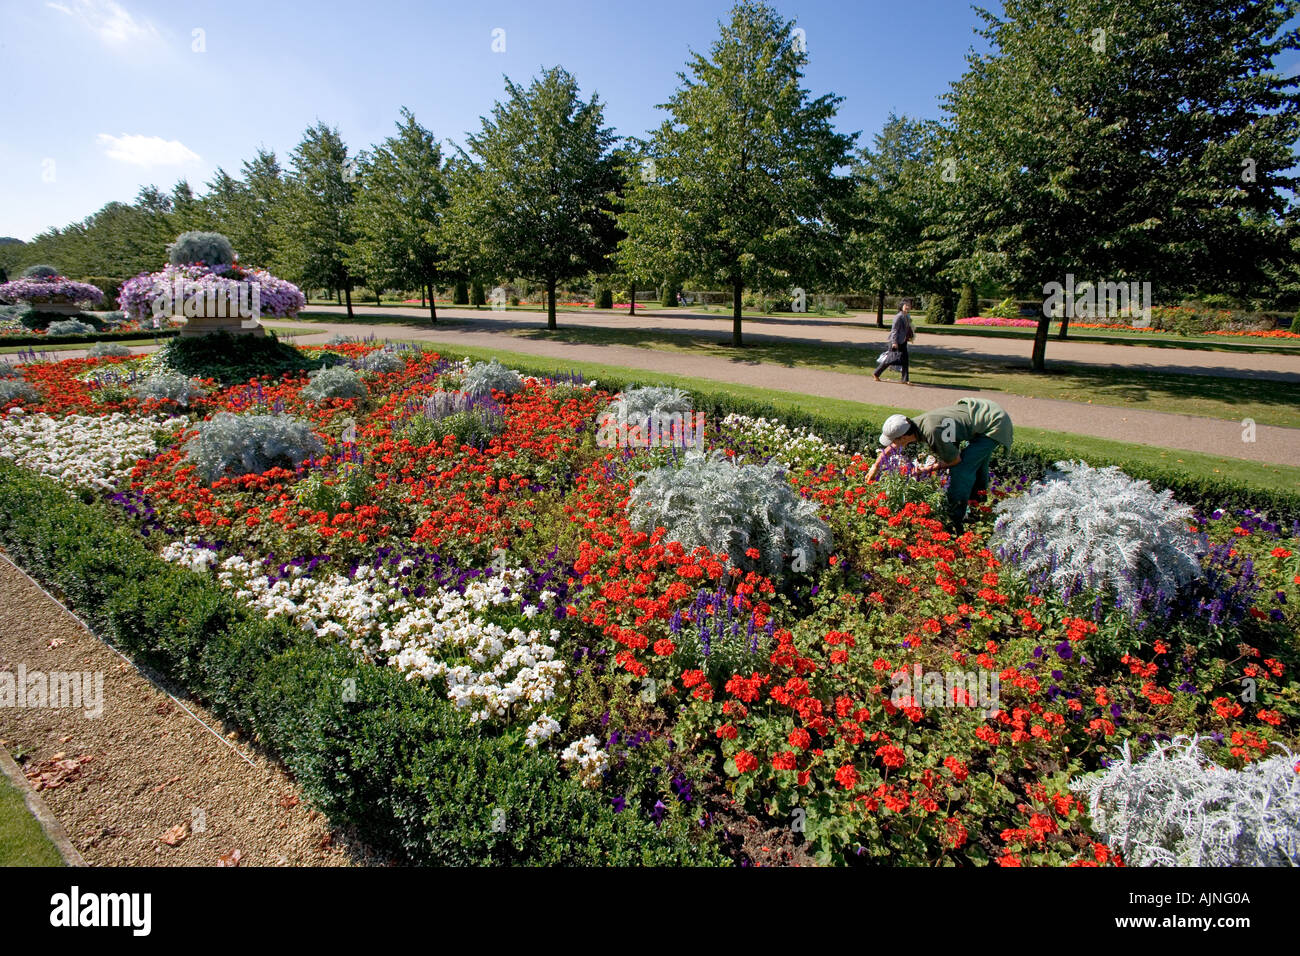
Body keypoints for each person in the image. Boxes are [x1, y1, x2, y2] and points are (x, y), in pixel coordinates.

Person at [865, 397, 1014, 534]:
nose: (892, 444)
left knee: (962, 471)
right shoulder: (912, 425)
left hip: (994, 423)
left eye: (894, 441)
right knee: (975, 464)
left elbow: (955, 461)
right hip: (982, 412)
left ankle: (955, 521)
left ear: (904, 437)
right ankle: (979, 507)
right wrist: (876, 466)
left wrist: (926, 469)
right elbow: (895, 445)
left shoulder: (931, 432)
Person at [874, 298, 915, 384]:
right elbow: (894, 330)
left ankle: (905, 379)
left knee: (905, 360)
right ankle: (876, 373)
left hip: (903, 341)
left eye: (909, 305)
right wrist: (894, 342)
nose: (908, 307)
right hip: (896, 342)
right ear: (901, 306)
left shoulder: (906, 316)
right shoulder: (898, 316)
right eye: (906, 305)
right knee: (890, 359)